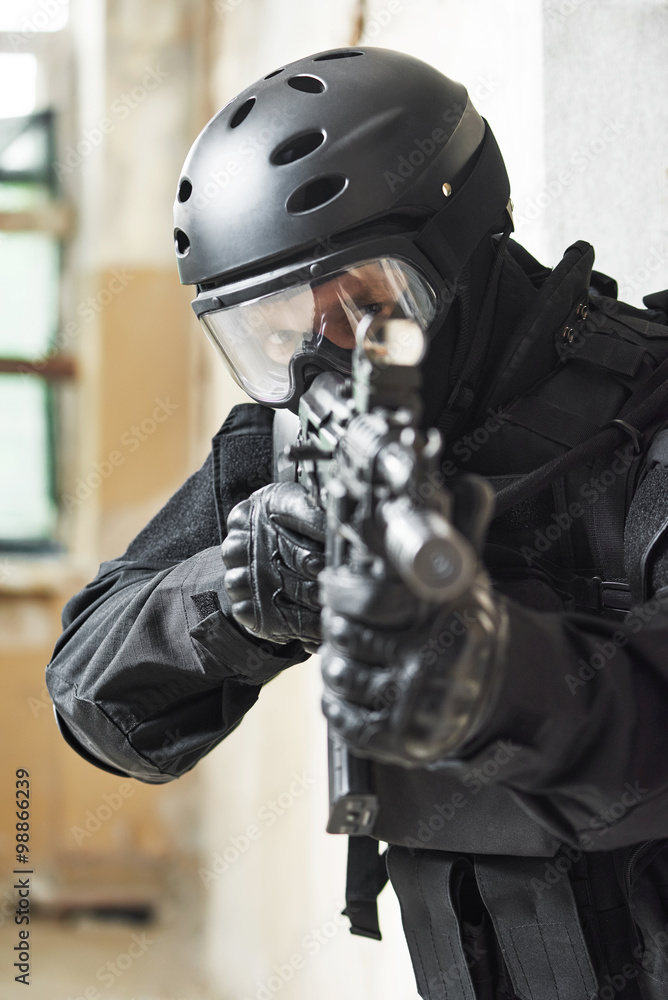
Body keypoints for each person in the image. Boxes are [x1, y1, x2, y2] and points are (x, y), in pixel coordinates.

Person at [46, 46, 668, 1000]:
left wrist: (492, 678)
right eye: (273, 331)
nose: (324, 360)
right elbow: (91, 695)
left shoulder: (644, 416)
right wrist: (234, 597)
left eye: (365, 304)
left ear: (459, 250)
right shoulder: (305, 434)